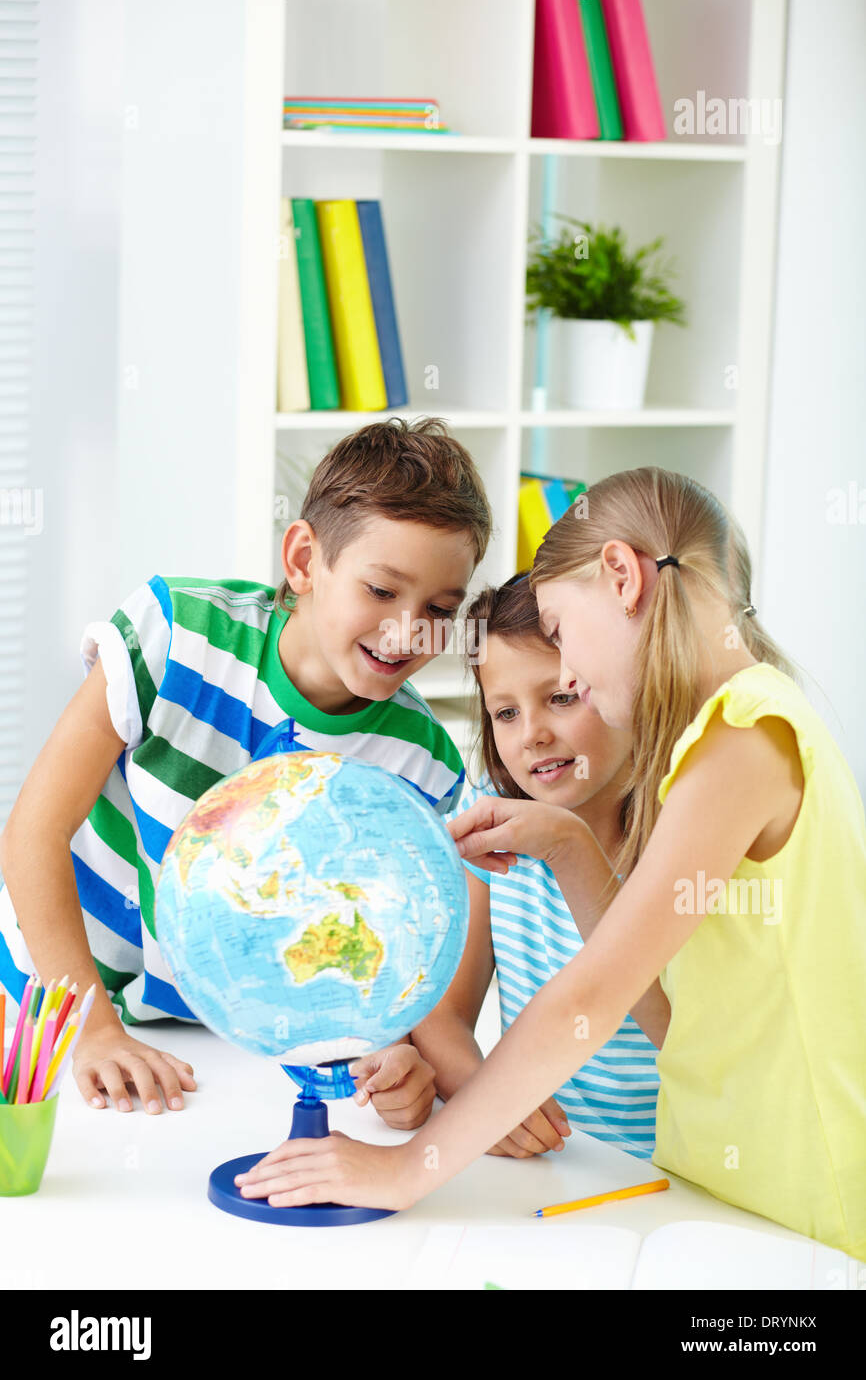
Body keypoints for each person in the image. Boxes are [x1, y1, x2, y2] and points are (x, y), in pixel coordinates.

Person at [233, 466, 866, 1265]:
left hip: (799, 1205)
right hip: (715, 1191)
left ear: (622, 577)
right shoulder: (736, 735)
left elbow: (594, 993)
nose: (569, 674)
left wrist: (404, 1173)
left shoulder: (742, 738)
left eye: (563, 632)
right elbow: (662, 996)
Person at [0, 417, 491, 1124]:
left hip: (230, 1048)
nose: (407, 630)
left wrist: (399, 1060)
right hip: (54, 999)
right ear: (303, 559)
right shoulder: (176, 636)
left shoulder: (423, 765)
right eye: (382, 591)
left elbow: (386, 965)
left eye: (441, 610)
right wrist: (95, 1030)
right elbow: (33, 831)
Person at [408, 573, 663, 1161]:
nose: (532, 736)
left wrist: (570, 849)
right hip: (555, 1171)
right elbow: (444, 1018)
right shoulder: (490, 820)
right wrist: (487, 1100)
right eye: (504, 713)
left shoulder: (686, 830)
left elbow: (691, 1042)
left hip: (676, 1178)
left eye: (562, 697)